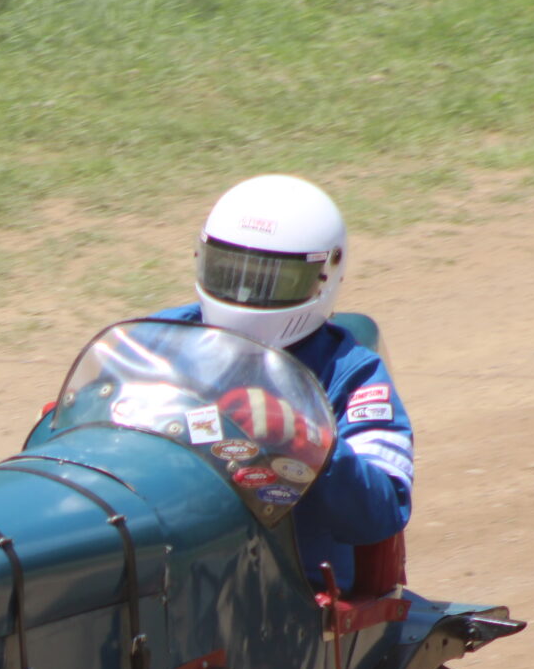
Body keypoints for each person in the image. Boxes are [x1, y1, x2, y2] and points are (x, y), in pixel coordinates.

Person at [149, 174, 413, 592]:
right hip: (167, 563)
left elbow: (380, 512)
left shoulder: (351, 373)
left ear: (325, 273)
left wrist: (309, 443)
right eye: (229, 271)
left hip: (288, 594)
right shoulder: (160, 339)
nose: (245, 292)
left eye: (274, 280)